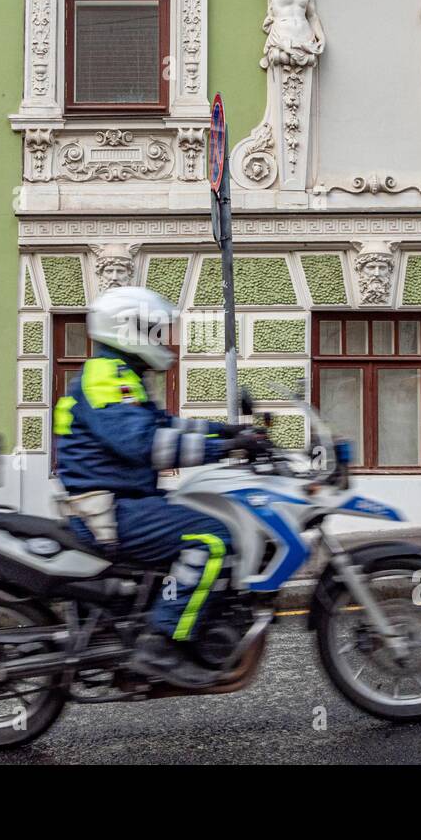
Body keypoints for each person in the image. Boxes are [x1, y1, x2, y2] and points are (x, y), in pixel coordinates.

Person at [52, 287, 268, 687]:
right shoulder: (104, 376)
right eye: (152, 331)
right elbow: (143, 443)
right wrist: (224, 449)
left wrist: (228, 431)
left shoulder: (120, 375)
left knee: (204, 517)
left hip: (122, 500)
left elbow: (163, 425)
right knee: (214, 538)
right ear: (127, 328)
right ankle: (162, 640)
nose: (159, 340)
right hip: (111, 510)